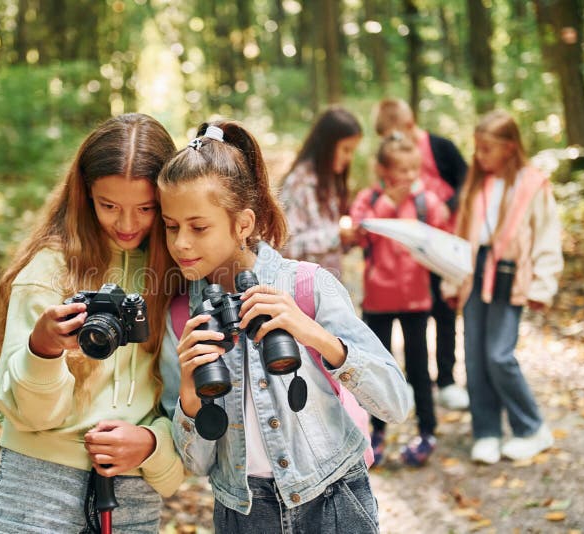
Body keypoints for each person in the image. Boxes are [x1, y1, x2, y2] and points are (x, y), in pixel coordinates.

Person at [157, 120, 411, 533]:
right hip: (243, 516)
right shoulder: (182, 315)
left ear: (242, 224)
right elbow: (195, 463)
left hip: (333, 503)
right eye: (171, 227)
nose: (181, 243)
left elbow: (395, 404)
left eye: (198, 227)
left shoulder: (307, 286)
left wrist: (313, 334)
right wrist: (189, 393)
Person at [0, 113, 185, 533]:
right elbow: (28, 418)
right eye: (108, 205)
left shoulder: (182, 273)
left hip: (132, 481)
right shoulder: (49, 271)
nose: (127, 224)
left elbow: (194, 400)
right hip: (38, 481)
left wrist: (153, 445)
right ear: (84, 194)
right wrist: (43, 349)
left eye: (146, 209)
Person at [443, 109, 563, 464]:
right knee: (475, 356)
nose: (479, 156)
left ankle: (531, 427)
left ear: (510, 148)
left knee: (499, 354)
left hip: (511, 274)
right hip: (473, 271)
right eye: (477, 149)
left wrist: (543, 286)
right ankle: (487, 431)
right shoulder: (476, 184)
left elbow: (547, 237)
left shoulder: (533, 183)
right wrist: (453, 281)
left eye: (487, 149)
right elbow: (461, 237)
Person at [350, 133, 451, 467]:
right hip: (378, 299)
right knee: (379, 367)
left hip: (416, 301)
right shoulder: (369, 199)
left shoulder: (427, 203)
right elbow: (360, 231)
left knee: (419, 367)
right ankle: (376, 431)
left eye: (414, 169)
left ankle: (427, 430)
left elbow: (442, 241)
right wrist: (388, 204)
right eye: (401, 170)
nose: (409, 177)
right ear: (382, 169)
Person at [373, 98, 470, 411]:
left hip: (443, 243)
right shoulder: (392, 165)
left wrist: (449, 208)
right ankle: (416, 381)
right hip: (408, 249)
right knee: (417, 316)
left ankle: (446, 379)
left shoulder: (441, 148)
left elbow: (469, 184)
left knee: (444, 311)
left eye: (395, 135)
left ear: (410, 126)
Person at [279, 106, 363, 278]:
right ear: (327, 146)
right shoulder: (299, 184)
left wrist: (349, 239)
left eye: (352, 151)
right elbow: (286, 247)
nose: (349, 158)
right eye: (346, 150)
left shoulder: (329, 181)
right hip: (304, 291)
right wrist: (335, 235)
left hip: (328, 287)